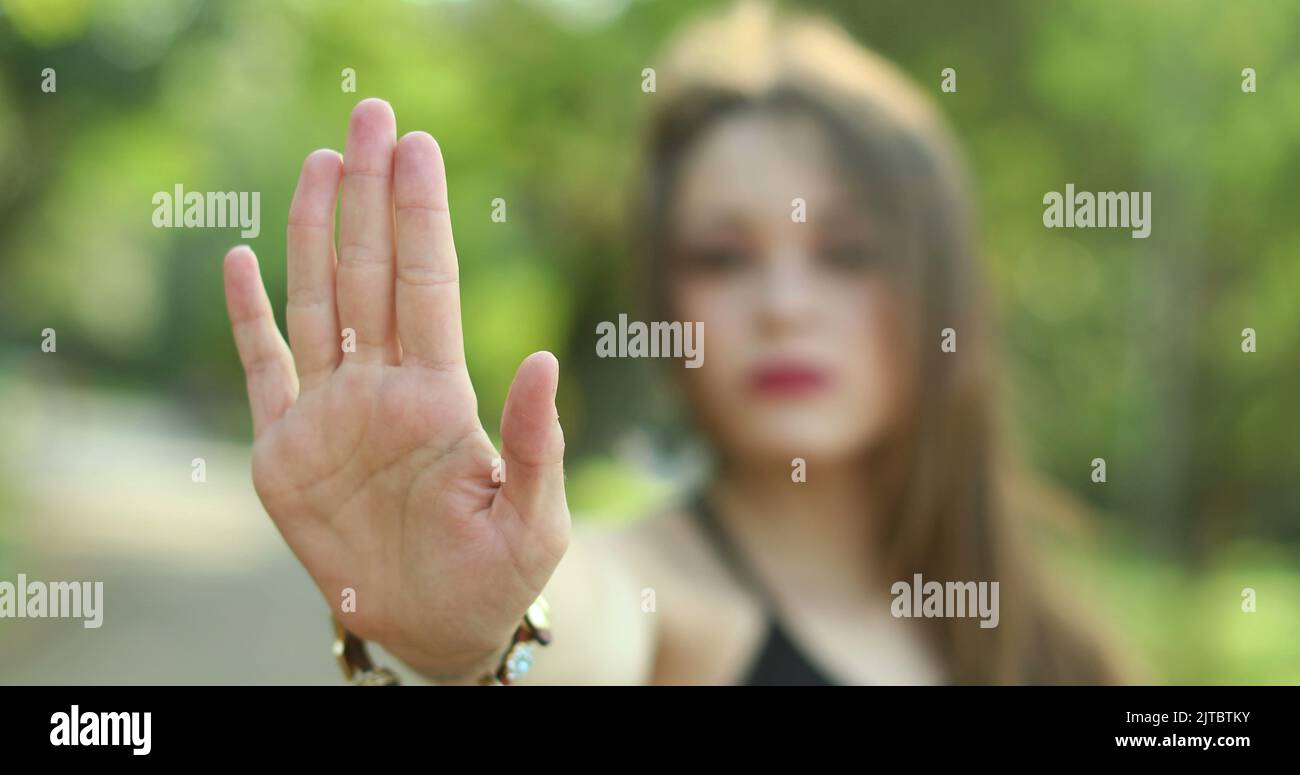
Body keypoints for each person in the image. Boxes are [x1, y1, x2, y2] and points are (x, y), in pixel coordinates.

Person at [221, 1, 1120, 685]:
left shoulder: (1057, 638)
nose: (782, 305)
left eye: (848, 254)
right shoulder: (653, 588)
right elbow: (581, 624)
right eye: (723, 257)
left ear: (944, 291)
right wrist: (486, 640)